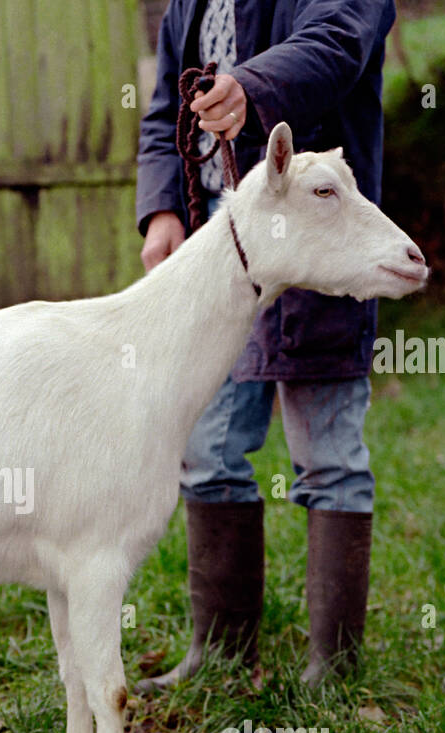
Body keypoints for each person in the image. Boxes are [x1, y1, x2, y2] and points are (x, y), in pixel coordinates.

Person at [135, 0, 398, 689]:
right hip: (219, 261)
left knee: (330, 459)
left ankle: (332, 671)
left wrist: (253, 87)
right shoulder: (186, 5)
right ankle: (220, 657)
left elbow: (339, 42)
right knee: (208, 453)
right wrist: (163, 208)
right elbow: (167, 111)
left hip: (322, 245)